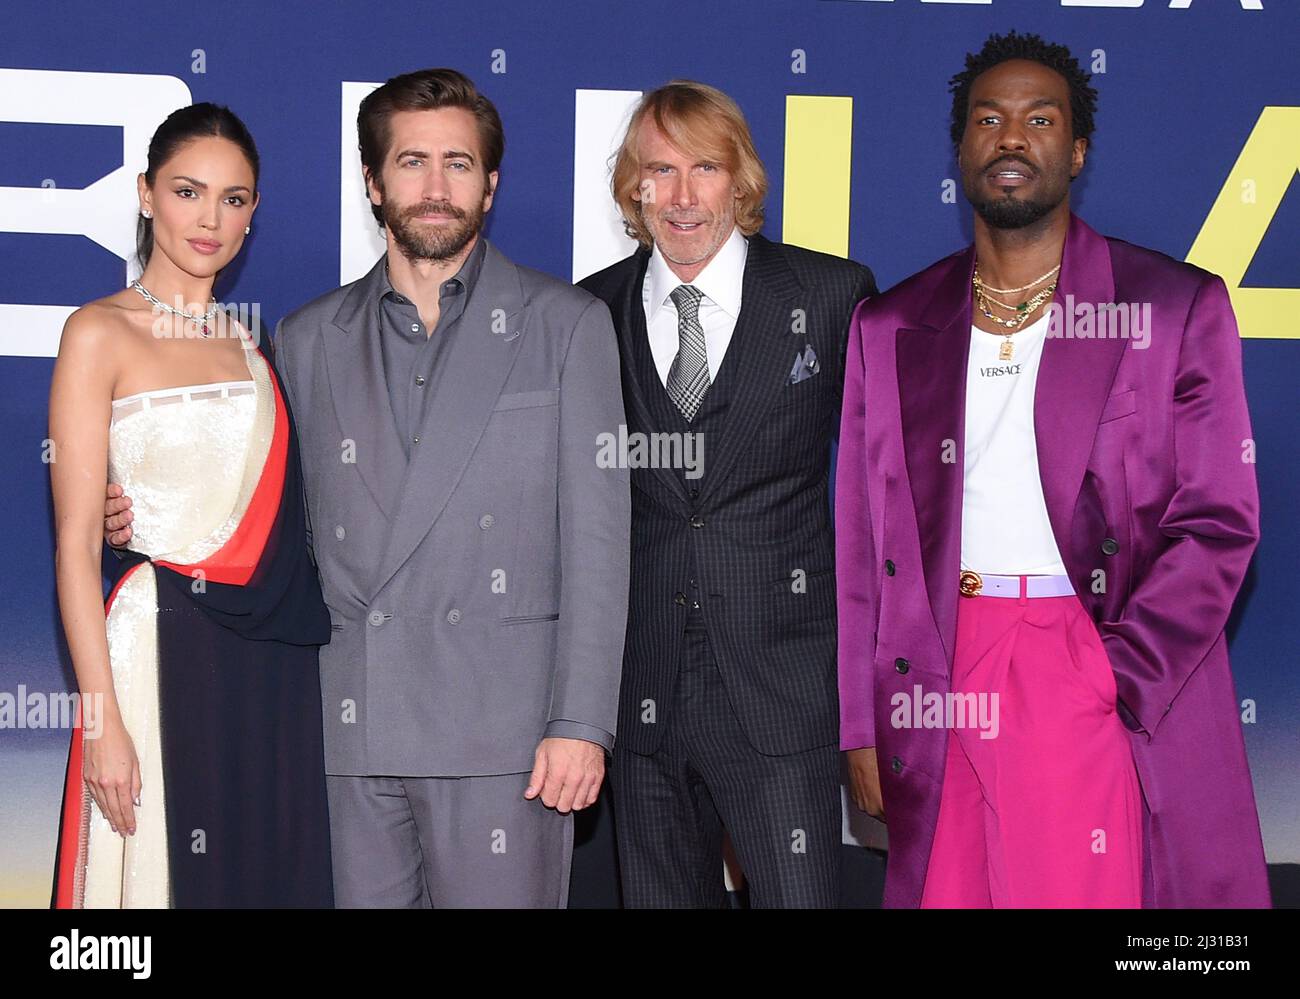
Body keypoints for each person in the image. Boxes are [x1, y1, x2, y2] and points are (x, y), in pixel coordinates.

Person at [108, 69, 630, 907]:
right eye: (411, 161)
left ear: (490, 185)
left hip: (505, 737)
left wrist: (580, 724)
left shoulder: (565, 324)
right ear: (372, 182)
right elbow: (264, 507)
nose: (434, 187)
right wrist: (139, 507)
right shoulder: (306, 338)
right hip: (346, 726)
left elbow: (601, 546)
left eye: (458, 164)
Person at [836, 31, 1270, 907]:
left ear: (1076, 150)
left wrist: (1115, 672)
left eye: (1040, 118)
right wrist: (861, 721)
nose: (1011, 137)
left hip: (1084, 656)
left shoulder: (1171, 305)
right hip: (938, 665)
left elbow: (1219, 518)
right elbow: (860, 540)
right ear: (961, 147)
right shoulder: (890, 324)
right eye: (988, 118)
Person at [579, 81, 876, 907]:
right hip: (639, 692)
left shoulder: (831, 297)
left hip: (783, 689)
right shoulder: (585, 312)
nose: (681, 196)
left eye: (704, 167)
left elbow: (878, 502)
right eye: (658, 170)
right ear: (631, 187)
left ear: (741, 180)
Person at [51, 103, 333, 907]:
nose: (211, 218)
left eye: (235, 198)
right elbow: (75, 546)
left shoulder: (256, 345)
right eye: (187, 191)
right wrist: (101, 719)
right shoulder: (97, 333)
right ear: (145, 194)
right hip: (153, 653)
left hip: (271, 662)